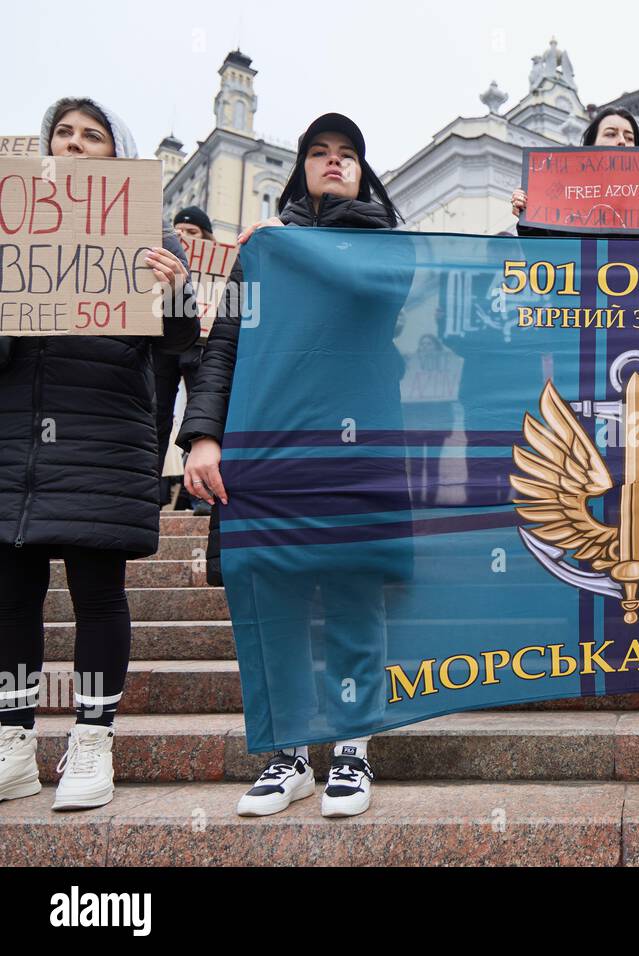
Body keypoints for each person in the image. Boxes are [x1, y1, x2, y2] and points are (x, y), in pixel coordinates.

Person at [179, 112, 407, 819]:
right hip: (268, 445)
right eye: (319, 153)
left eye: (347, 154)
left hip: (356, 443)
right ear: (300, 168)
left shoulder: (387, 247)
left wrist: (319, 238)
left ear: (364, 171)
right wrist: (204, 438)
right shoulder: (264, 252)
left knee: (352, 593)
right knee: (272, 595)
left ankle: (350, 751)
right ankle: (287, 757)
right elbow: (222, 347)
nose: (333, 162)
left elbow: (383, 302)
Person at [0, 98, 199, 809]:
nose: (77, 145)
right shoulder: (10, 228)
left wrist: (176, 296)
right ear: (46, 145)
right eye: (65, 133)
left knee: (97, 594)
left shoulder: (151, 238)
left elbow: (180, 347)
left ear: (118, 155)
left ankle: (92, 739)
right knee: (11, 599)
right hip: (15, 438)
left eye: (93, 135)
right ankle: (13, 742)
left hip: (103, 435)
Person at [510, 107, 639, 236]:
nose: (621, 141)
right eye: (611, 134)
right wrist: (528, 210)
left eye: (629, 137)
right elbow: (540, 259)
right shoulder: (564, 198)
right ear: (591, 144)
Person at [155, 206, 214, 514]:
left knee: (200, 416)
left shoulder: (218, 266)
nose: (184, 236)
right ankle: (149, 491)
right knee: (157, 413)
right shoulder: (163, 250)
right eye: (179, 230)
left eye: (193, 233)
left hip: (200, 348)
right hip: (165, 344)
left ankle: (202, 495)